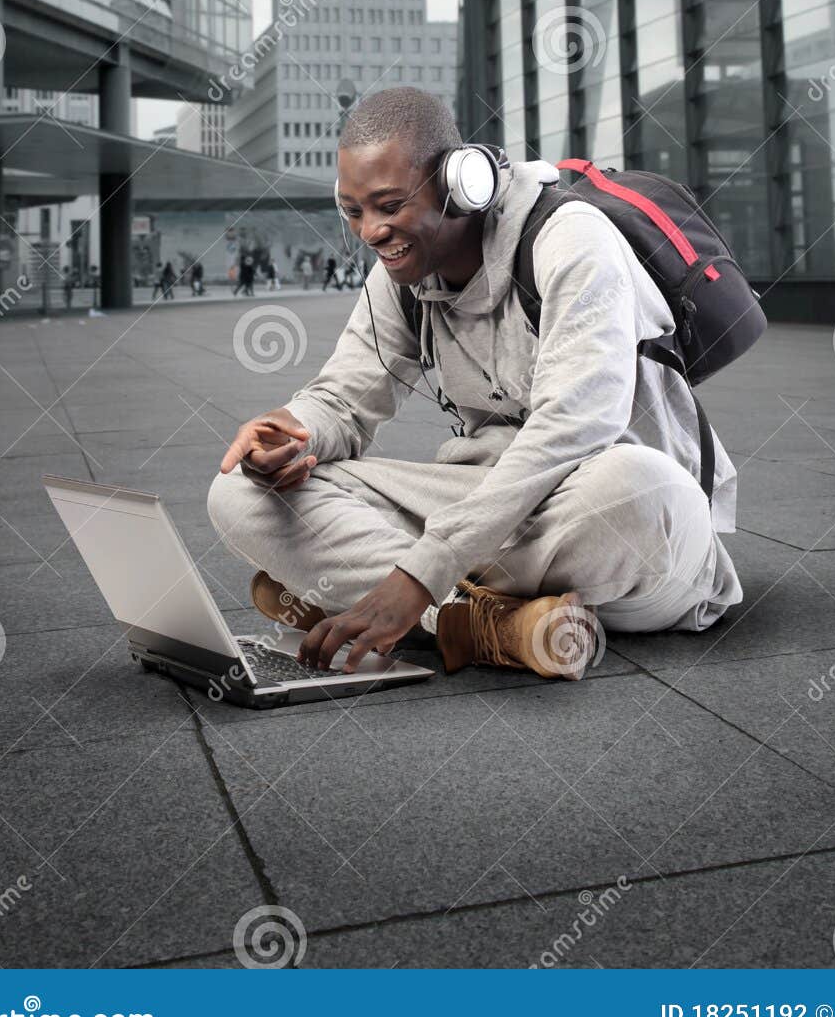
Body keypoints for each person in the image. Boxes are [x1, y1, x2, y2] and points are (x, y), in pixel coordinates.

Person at [209, 87, 742, 683]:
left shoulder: (570, 240)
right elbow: (344, 402)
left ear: (462, 182)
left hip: (614, 513)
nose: (371, 232)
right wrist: (298, 434)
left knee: (643, 487)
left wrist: (420, 571)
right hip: (490, 504)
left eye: (388, 205)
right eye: (353, 211)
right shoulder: (401, 274)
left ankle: (391, 599)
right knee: (239, 494)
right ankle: (486, 624)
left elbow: (577, 427)